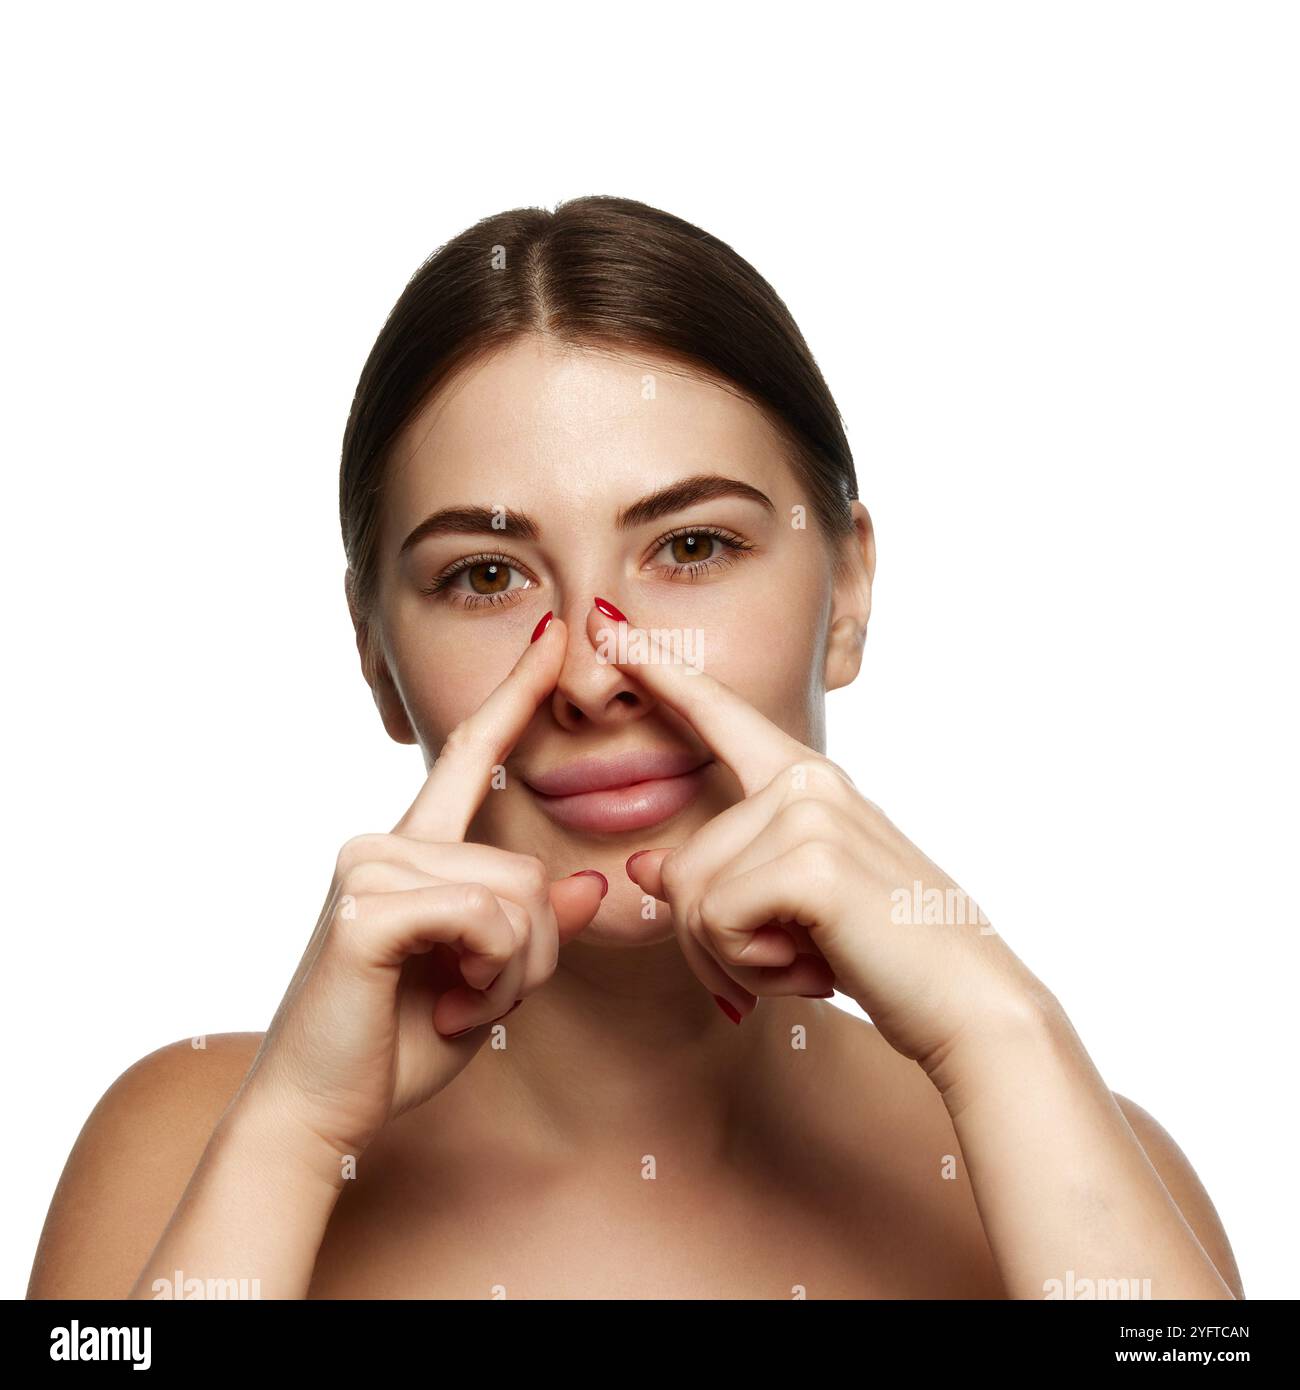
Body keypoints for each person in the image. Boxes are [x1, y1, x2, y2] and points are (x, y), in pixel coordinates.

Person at [26, 196, 1244, 1300]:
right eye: (486, 574)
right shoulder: (191, 1140)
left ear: (849, 586)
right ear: (374, 654)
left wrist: (999, 1030)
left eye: (693, 548)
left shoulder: (1057, 1146)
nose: (594, 674)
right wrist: (291, 1138)